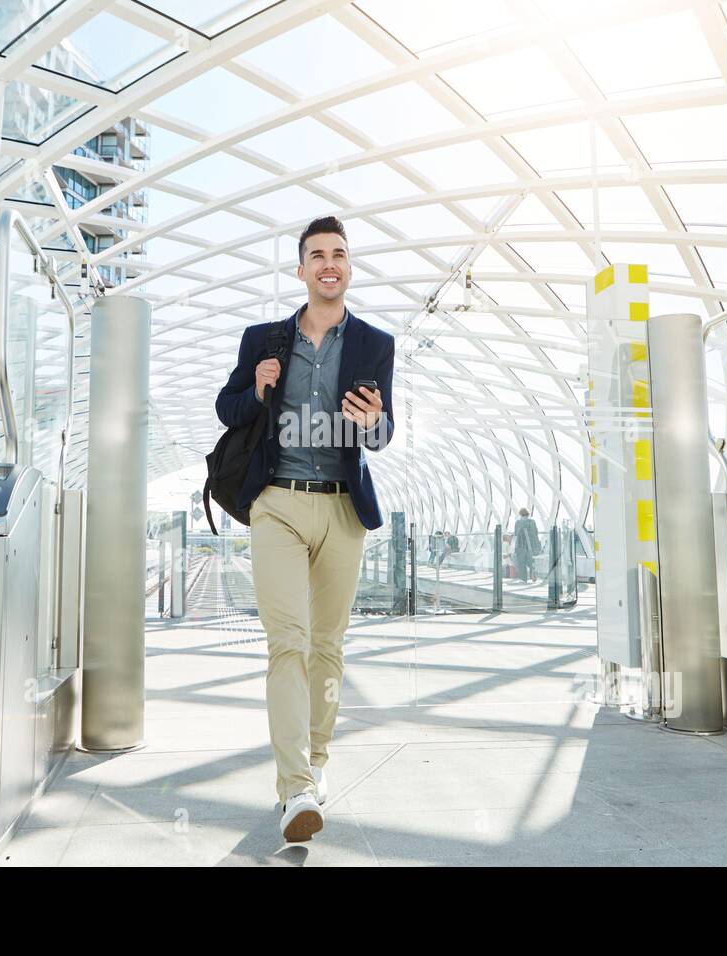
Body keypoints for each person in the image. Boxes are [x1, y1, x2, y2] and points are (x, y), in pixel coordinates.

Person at [215, 215, 395, 844]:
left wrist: (373, 420)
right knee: (287, 641)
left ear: (349, 267)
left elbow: (383, 432)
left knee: (328, 648)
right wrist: (258, 388)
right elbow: (228, 408)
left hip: (344, 507)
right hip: (278, 505)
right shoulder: (263, 338)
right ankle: (293, 788)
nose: (329, 263)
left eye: (339, 254)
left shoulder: (375, 344)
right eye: (316, 254)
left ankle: (315, 766)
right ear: (301, 270)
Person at [513, 508, 541, 583]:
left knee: (521, 563)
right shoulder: (532, 522)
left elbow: (516, 534)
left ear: (520, 514)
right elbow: (535, 533)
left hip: (520, 545)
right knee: (530, 561)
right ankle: (533, 574)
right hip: (530, 546)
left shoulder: (518, 522)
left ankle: (523, 579)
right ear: (528, 514)